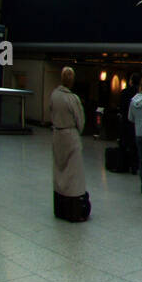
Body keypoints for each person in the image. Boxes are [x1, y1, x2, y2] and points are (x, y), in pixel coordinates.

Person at [49, 67, 89, 222]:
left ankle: (60, 206)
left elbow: (51, 112)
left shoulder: (54, 95)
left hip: (57, 134)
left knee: (59, 171)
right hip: (70, 136)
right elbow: (80, 121)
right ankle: (73, 210)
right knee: (74, 175)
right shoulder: (73, 99)